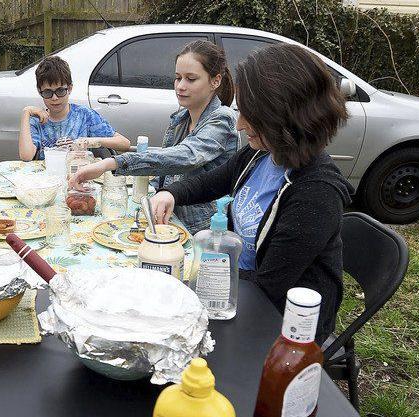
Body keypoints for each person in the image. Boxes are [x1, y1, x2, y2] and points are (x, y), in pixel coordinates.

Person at [150, 43, 353, 343]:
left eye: (250, 115)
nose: (240, 124)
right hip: (240, 289)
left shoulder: (316, 194)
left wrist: (193, 276)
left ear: (286, 116)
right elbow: (213, 181)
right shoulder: (263, 154)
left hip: (279, 321)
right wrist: (171, 194)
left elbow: (268, 286)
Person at [69, 40, 238, 233]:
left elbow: (184, 156)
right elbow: (164, 174)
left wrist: (110, 163)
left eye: (191, 79)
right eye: (178, 78)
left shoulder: (222, 119)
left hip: (202, 229)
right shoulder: (181, 119)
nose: (180, 86)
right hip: (170, 217)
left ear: (215, 81)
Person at [18, 55, 131, 161]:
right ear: (40, 91)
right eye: (48, 92)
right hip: (48, 174)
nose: (54, 98)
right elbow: (26, 156)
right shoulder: (37, 120)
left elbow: (124, 143)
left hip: (79, 173)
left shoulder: (85, 115)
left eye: (60, 91)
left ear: (70, 88)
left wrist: (92, 141)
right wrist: (26, 112)